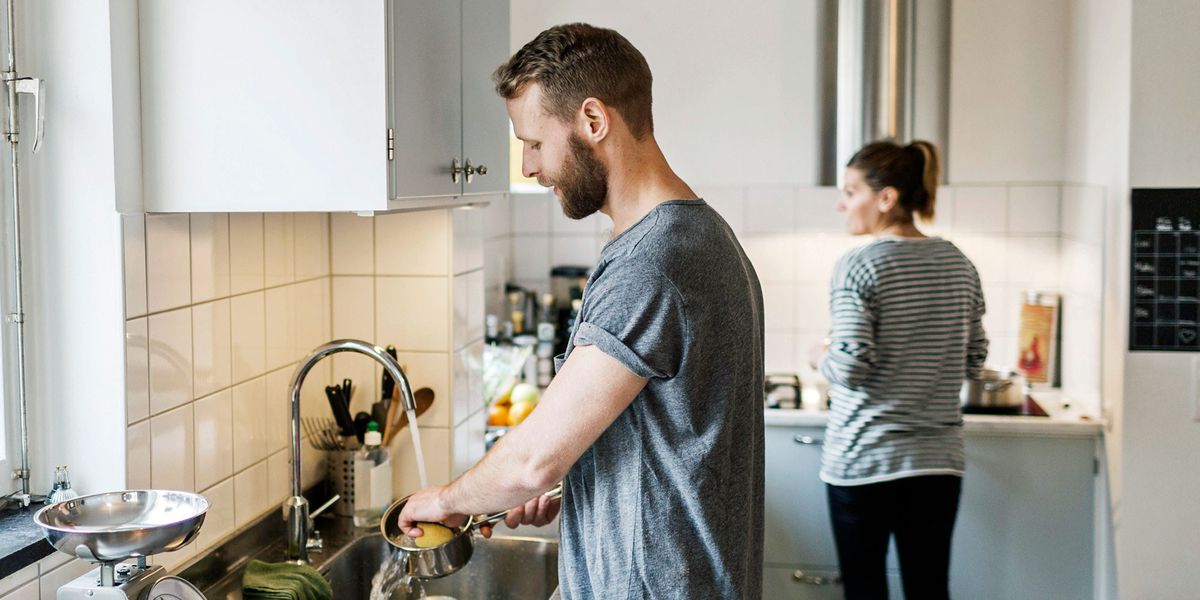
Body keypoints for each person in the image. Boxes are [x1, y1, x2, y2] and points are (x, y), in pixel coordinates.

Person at [398, 23, 765, 599]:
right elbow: (672, 438)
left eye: (534, 143)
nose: (529, 167)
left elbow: (532, 462)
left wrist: (445, 500)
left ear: (593, 120)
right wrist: (583, 485)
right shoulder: (698, 236)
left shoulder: (652, 263)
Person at [808, 140, 987, 599]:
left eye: (851, 192)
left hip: (864, 460)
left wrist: (819, 355)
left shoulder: (858, 265)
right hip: (937, 463)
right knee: (929, 589)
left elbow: (850, 367)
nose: (841, 204)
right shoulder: (959, 263)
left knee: (865, 591)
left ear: (886, 198)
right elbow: (974, 361)